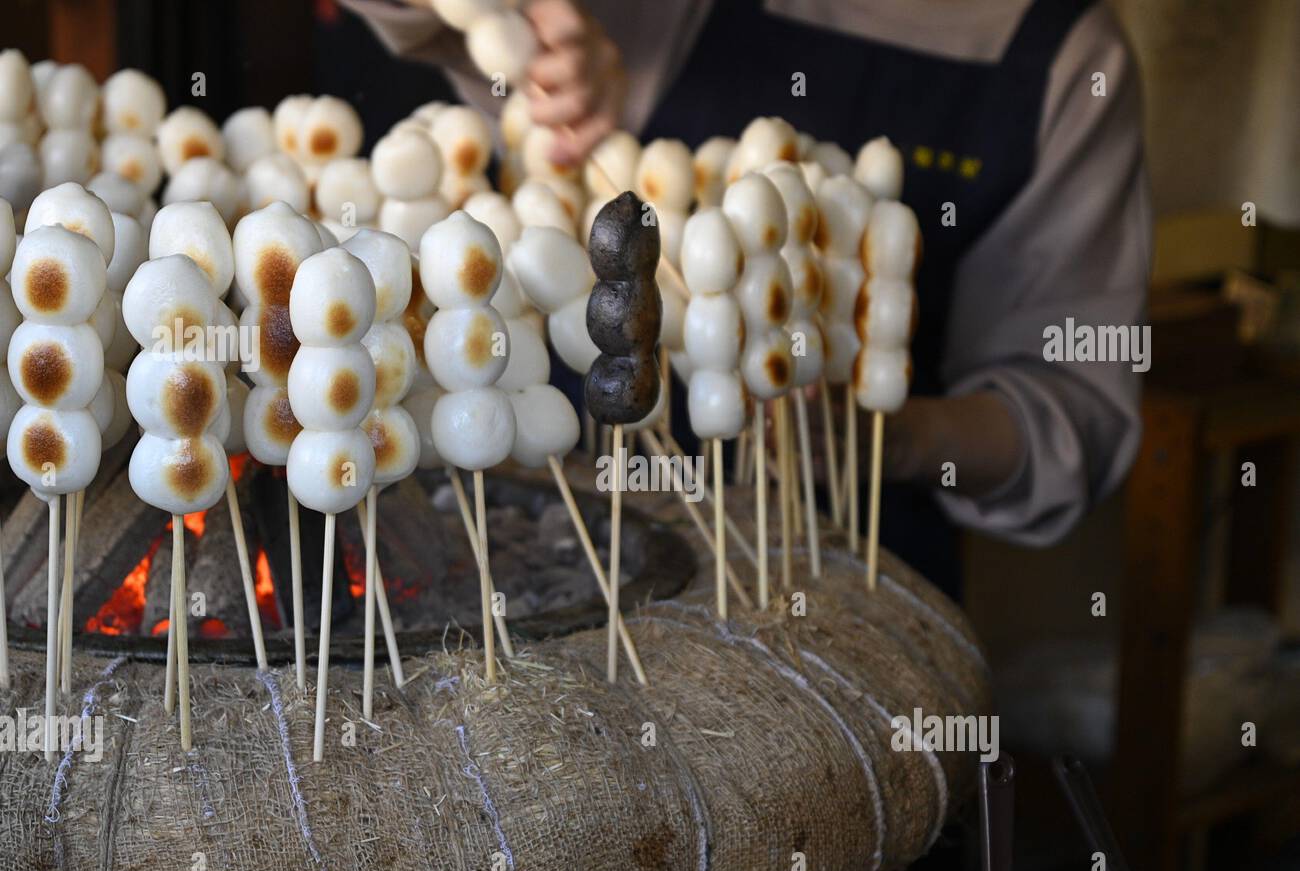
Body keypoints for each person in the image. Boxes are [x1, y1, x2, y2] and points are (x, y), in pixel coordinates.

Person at [345, 0, 1150, 596]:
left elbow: (1072, 412)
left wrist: (895, 436)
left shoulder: (1065, 58)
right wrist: (530, 34)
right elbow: (429, 19)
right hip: (565, 544)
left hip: (847, 583)